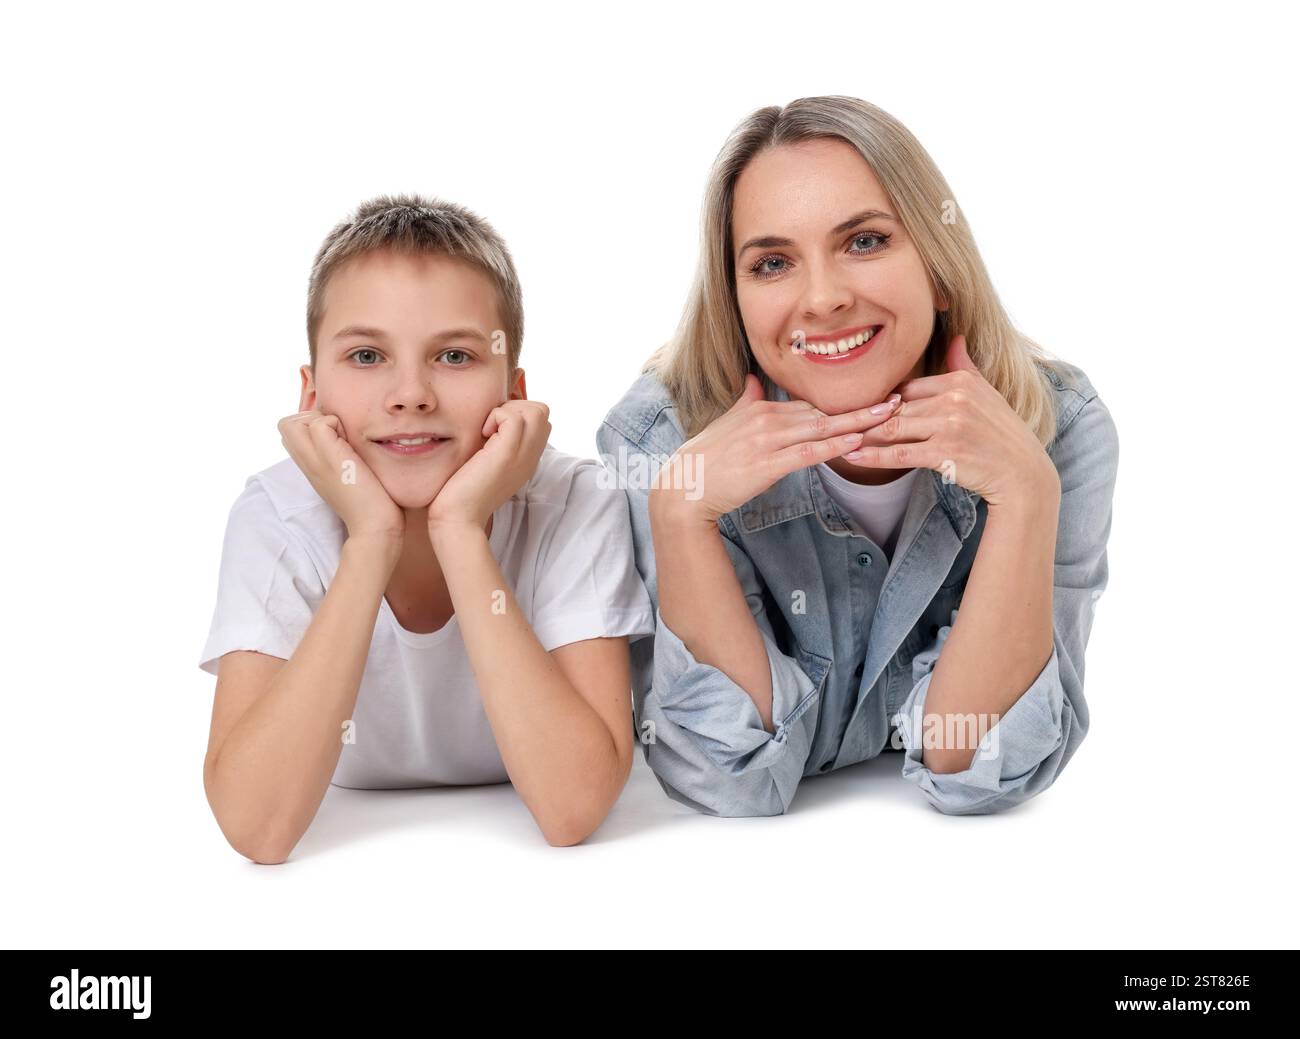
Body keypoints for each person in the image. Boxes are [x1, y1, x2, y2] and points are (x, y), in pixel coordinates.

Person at [597, 96, 1119, 817]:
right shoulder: (661, 444)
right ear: (735, 302)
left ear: (939, 271)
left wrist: (1025, 496)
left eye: (865, 242)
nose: (822, 299)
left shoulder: (1061, 431)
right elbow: (729, 775)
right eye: (773, 262)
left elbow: (984, 764)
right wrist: (681, 516)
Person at [200, 194, 654, 860]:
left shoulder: (576, 503)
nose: (410, 393)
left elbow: (571, 806)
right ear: (310, 396)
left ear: (514, 395)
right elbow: (257, 827)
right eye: (364, 356)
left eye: (455, 357)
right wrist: (371, 541)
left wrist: (461, 531)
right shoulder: (274, 517)